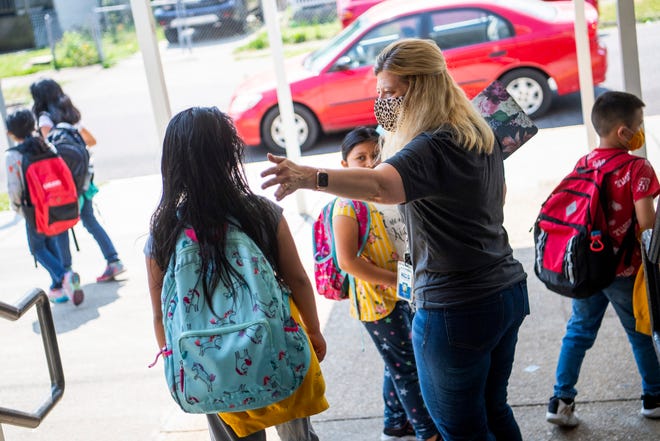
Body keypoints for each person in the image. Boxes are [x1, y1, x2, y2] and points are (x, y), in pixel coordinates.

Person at [262, 38, 529, 441]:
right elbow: (499, 197)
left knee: (460, 428)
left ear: (421, 87)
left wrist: (308, 177)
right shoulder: (477, 129)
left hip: (455, 306)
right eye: (379, 91)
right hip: (505, 288)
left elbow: (379, 186)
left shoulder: (432, 145)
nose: (381, 102)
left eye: (390, 92)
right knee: (494, 408)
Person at [146, 106, 328, 440]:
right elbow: (298, 279)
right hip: (274, 345)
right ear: (230, 153)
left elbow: (160, 312)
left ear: (171, 163)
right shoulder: (259, 213)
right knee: (297, 434)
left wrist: (178, 361)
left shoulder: (164, 230)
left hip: (207, 363)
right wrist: (313, 330)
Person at [545, 91, 660, 427]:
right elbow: (647, 226)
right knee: (640, 331)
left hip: (588, 268)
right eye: (638, 126)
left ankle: (561, 400)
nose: (641, 131)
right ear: (624, 132)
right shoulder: (638, 167)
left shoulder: (585, 162)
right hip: (623, 270)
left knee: (578, 331)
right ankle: (653, 396)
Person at [332, 127, 438, 441]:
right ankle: (426, 431)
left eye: (375, 154)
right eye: (360, 158)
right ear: (345, 166)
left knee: (398, 359)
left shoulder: (391, 193)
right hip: (377, 301)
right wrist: (395, 281)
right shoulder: (347, 205)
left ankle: (394, 424)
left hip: (403, 292)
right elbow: (348, 261)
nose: (369, 162)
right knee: (407, 366)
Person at [30, 78, 126, 283]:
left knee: (62, 225)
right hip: (83, 180)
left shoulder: (45, 120)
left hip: (62, 186)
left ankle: (67, 273)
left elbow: (48, 151)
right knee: (90, 220)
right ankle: (113, 260)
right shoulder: (68, 114)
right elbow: (91, 141)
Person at [5, 109, 84, 305]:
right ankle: (59, 288)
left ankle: (64, 275)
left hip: (33, 210)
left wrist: (18, 209)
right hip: (55, 206)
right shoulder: (46, 145)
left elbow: (14, 189)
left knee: (38, 248)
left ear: (11, 134)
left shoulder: (14, 155)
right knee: (50, 243)